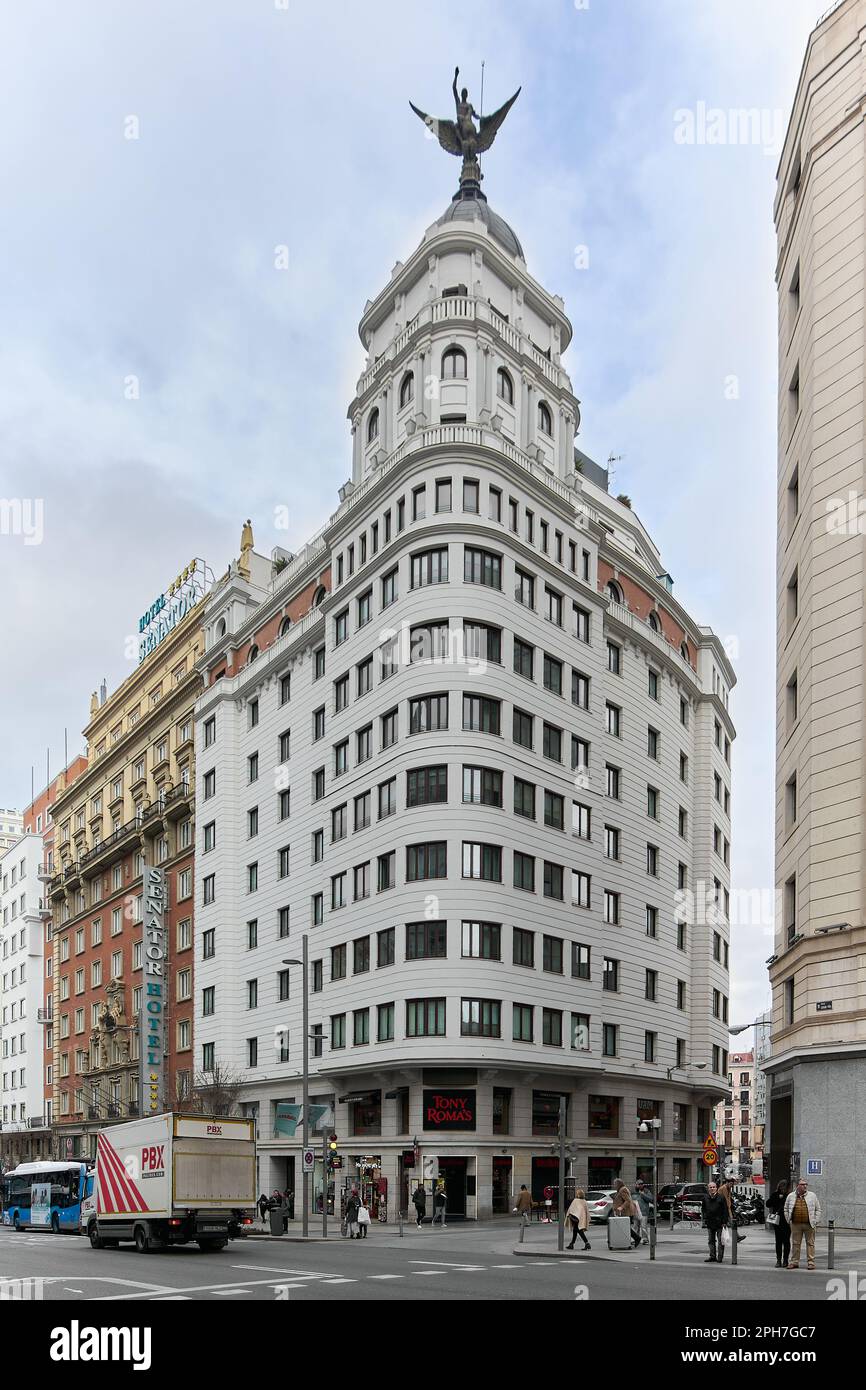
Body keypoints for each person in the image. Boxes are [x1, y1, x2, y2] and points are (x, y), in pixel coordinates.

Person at [784, 1179, 821, 1270]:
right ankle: (794, 1262)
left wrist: (815, 1220)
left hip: (809, 1224)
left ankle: (811, 1262)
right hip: (796, 1224)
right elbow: (786, 1208)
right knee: (795, 1243)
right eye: (802, 1184)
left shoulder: (812, 1196)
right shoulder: (791, 1196)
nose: (805, 1186)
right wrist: (788, 1219)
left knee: (810, 1243)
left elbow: (818, 1209)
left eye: (806, 1184)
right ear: (797, 1186)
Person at [701, 1181, 730, 1263]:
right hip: (710, 1222)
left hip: (719, 1223)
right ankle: (712, 1256)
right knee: (711, 1240)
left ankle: (720, 1257)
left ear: (716, 1188)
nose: (712, 1188)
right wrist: (704, 1218)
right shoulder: (705, 1197)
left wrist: (724, 1221)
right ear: (708, 1188)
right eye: (710, 1187)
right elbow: (703, 1209)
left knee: (721, 1241)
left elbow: (725, 1210)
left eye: (714, 1187)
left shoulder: (721, 1197)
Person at [767, 1180, 791, 1268]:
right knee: (778, 1242)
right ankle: (778, 1260)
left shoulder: (789, 1196)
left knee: (786, 1241)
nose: (782, 1188)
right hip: (777, 1222)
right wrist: (777, 1197)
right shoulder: (775, 1195)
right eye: (781, 1187)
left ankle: (785, 1260)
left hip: (787, 1221)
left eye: (784, 1187)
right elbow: (768, 1204)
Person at [612, 1181, 640, 1248]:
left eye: (615, 1184)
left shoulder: (623, 1189)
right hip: (624, 1212)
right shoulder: (620, 1190)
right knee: (625, 1228)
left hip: (626, 1212)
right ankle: (627, 1241)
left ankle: (636, 1238)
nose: (614, 1185)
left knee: (626, 1228)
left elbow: (627, 1200)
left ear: (618, 1184)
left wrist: (621, 1207)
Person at [634, 1180, 654, 1245]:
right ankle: (636, 1238)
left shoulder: (646, 1191)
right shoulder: (634, 1192)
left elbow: (651, 1199)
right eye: (638, 1184)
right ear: (636, 1185)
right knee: (636, 1226)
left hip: (643, 1212)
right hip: (636, 1212)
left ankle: (645, 1239)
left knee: (643, 1226)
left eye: (641, 1184)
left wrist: (643, 1195)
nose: (640, 1185)